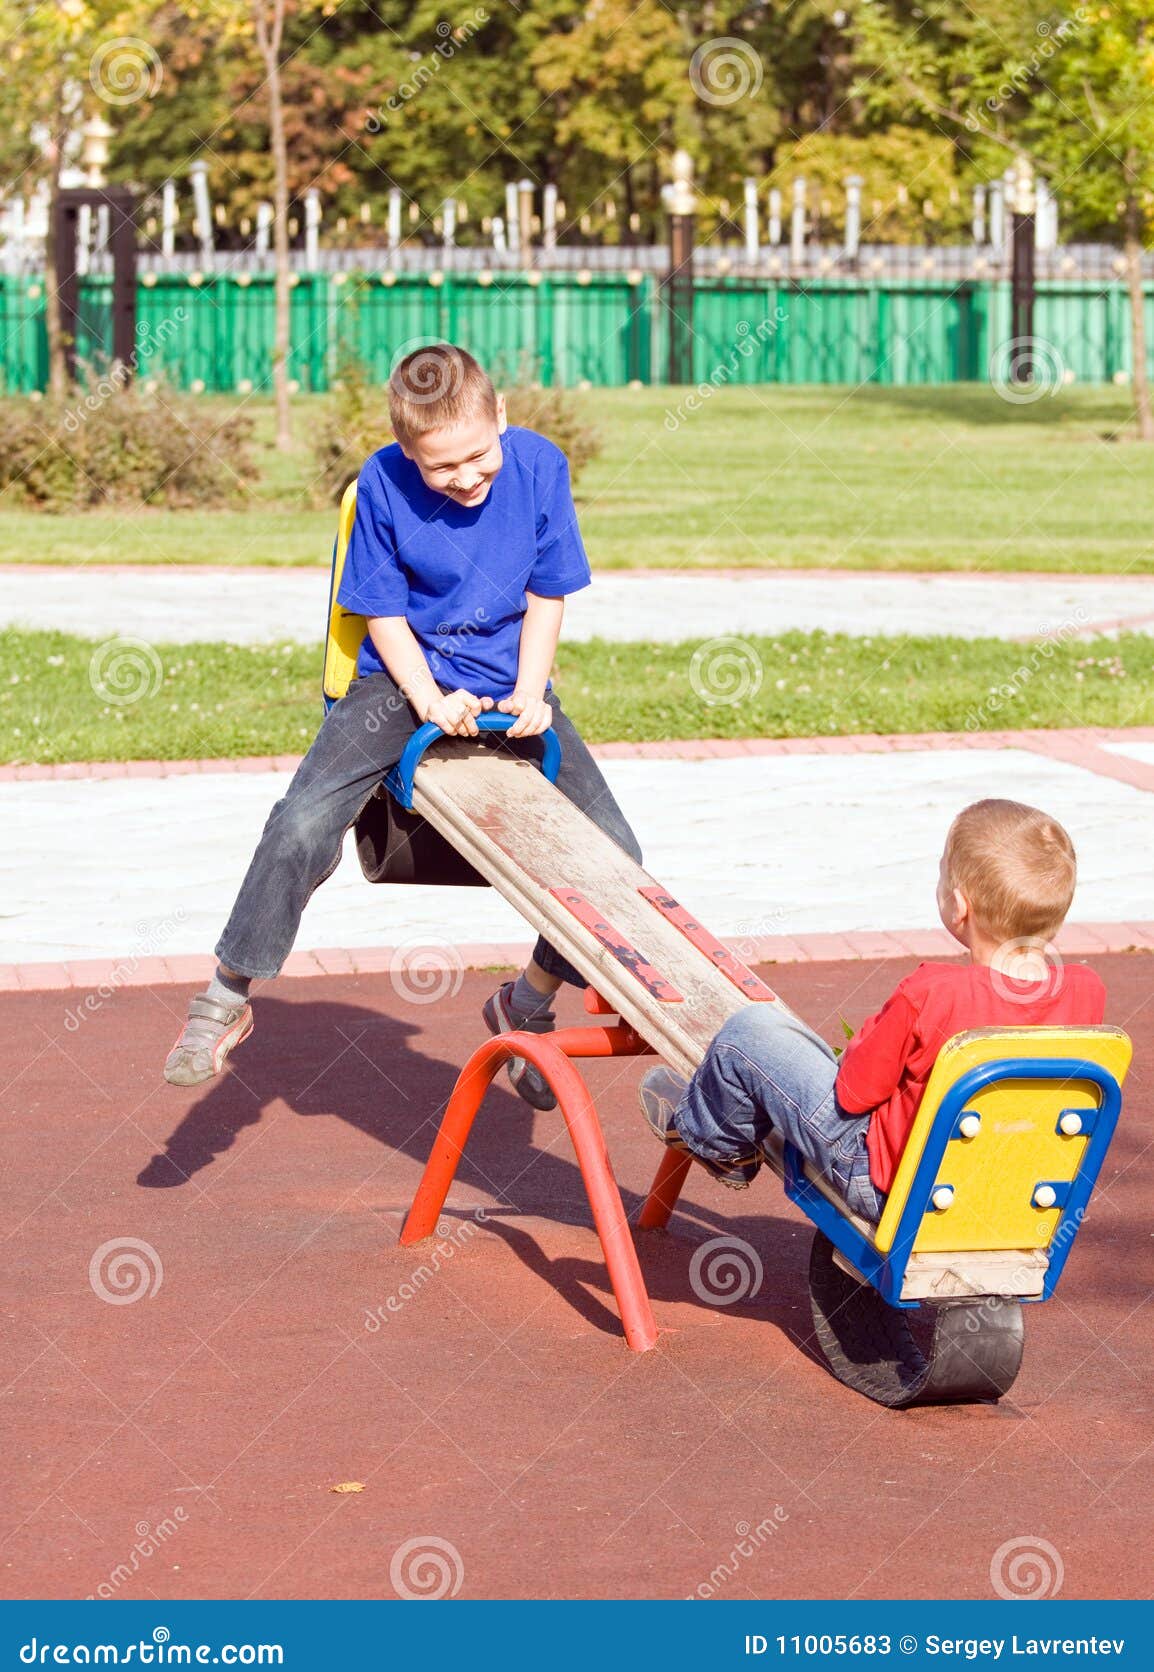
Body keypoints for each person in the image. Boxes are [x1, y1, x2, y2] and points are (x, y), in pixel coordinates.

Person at [165, 343, 641, 1107]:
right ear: (406, 450)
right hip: (399, 679)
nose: (465, 479)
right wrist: (424, 697)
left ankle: (529, 1001)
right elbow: (381, 610)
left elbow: (549, 593)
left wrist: (529, 692)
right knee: (300, 823)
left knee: (616, 855)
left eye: (479, 458)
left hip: (504, 681)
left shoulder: (540, 466)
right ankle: (223, 998)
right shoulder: (382, 482)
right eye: (441, 467)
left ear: (503, 420)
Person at [639, 799, 1106, 1222]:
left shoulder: (932, 991)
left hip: (891, 1187)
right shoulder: (1088, 994)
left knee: (751, 1031)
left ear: (958, 906)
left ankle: (716, 1141)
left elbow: (854, 1093)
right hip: (1012, 1194)